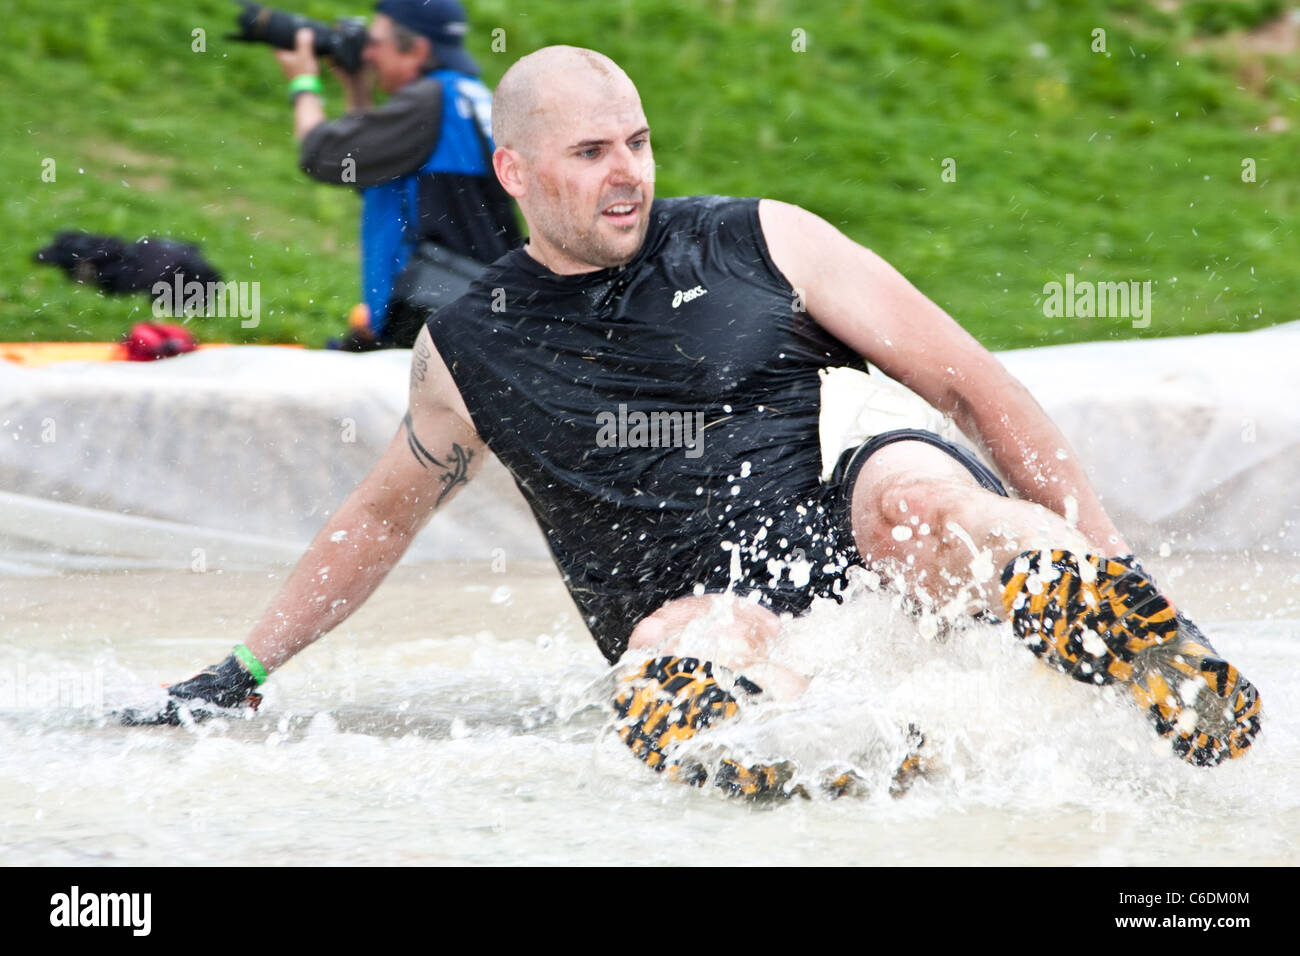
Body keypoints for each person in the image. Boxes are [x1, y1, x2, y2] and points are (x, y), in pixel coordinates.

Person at [133, 46, 1261, 794]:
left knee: (918, 493)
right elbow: (378, 520)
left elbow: (971, 382)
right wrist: (239, 667)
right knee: (693, 635)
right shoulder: (465, 351)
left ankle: (1110, 613)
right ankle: (810, 752)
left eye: (636, 142)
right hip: (705, 616)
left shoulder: (757, 238)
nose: (625, 173)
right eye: (590, 153)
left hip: (853, 539)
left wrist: (1105, 548)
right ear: (512, 168)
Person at [276, 0, 520, 349]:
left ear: (417, 50)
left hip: (424, 323)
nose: (369, 54)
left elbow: (321, 155)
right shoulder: (468, 95)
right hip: (470, 318)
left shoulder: (427, 100)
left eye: (376, 43)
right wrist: (357, 88)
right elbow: (369, 172)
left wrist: (303, 82)